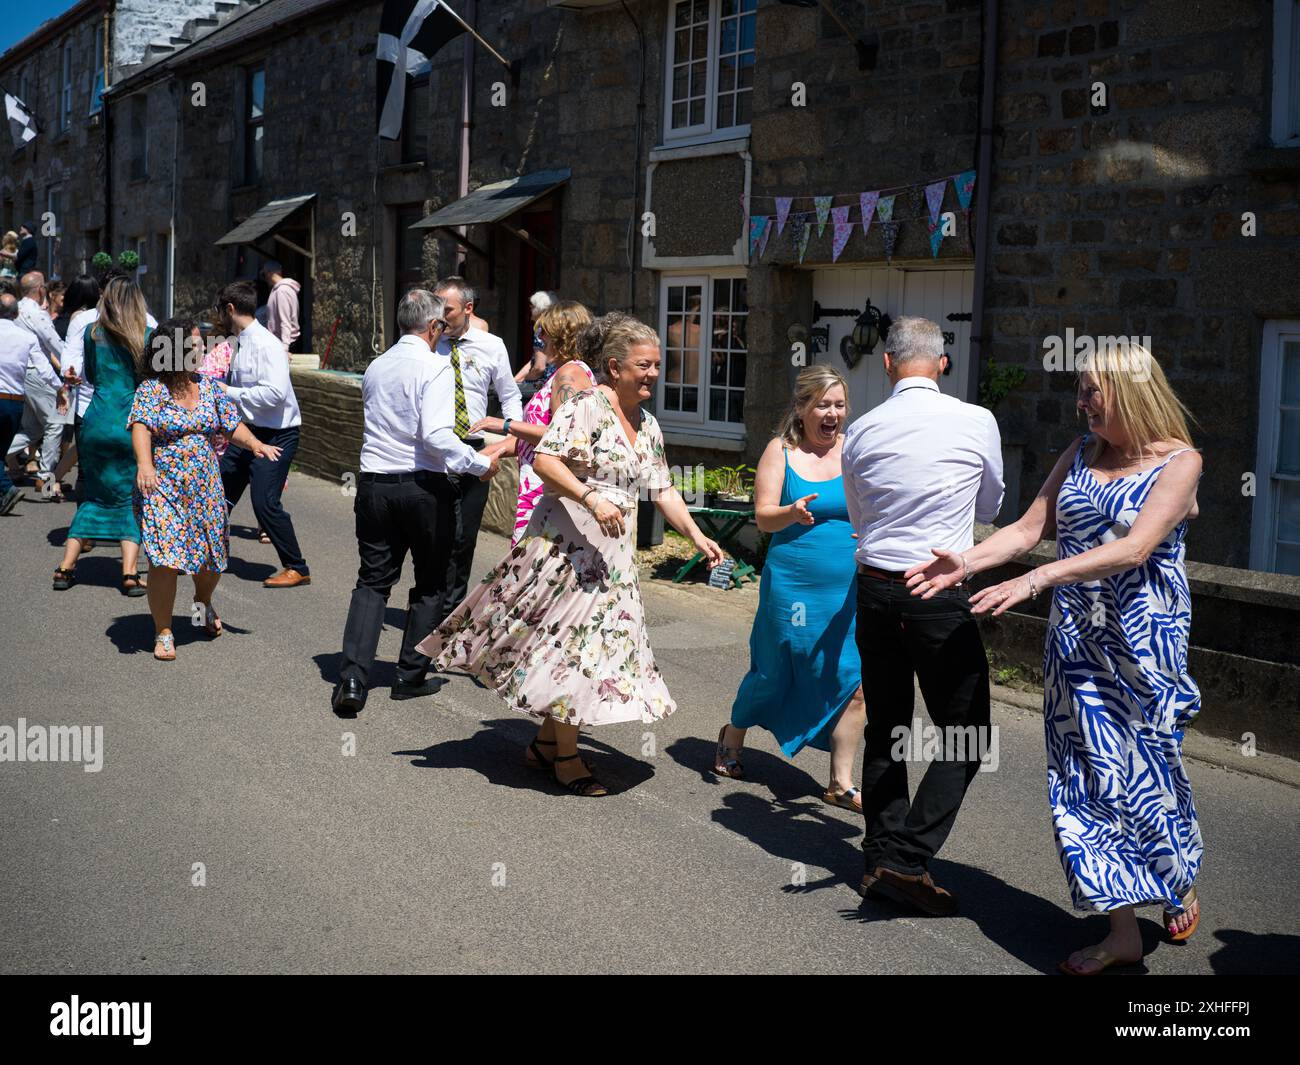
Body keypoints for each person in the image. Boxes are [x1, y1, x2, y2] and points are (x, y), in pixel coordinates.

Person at [906, 341, 1204, 974]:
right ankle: (1122, 928)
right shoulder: (1079, 453)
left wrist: (1038, 581)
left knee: (1151, 771)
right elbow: (1026, 529)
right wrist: (968, 558)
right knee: (1088, 774)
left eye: (1094, 390)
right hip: (1077, 645)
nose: (1082, 402)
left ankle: (1174, 877)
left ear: (1131, 392)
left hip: (1143, 645)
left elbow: (1135, 549)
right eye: (1081, 389)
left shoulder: (1181, 463)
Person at [417, 314, 724, 797]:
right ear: (615, 366)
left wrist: (695, 534)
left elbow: (662, 488)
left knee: (595, 652)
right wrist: (592, 498)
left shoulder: (647, 423)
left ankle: (543, 743)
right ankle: (565, 758)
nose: (653, 374)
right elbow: (545, 459)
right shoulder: (585, 405)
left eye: (657, 365)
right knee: (574, 651)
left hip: (614, 558)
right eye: (644, 365)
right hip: (569, 549)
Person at [841, 316, 1004, 916]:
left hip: (877, 586)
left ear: (886, 364)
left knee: (888, 724)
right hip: (936, 588)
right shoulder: (976, 420)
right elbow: (989, 504)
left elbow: (859, 519)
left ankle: (881, 855)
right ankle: (906, 861)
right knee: (968, 732)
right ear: (941, 363)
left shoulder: (862, 429)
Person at [332, 290, 499, 714]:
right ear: (432, 328)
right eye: (440, 327)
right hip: (423, 487)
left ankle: (352, 678)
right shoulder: (436, 366)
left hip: (374, 484)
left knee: (372, 581)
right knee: (430, 582)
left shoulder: (376, 365)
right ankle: (409, 675)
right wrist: (478, 463)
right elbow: (436, 435)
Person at [716, 366, 867, 811]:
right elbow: (763, 516)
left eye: (839, 405)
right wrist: (791, 512)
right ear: (801, 409)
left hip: (847, 590)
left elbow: (872, 506)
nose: (833, 414)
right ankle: (733, 734)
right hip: (792, 585)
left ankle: (841, 781)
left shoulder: (855, 452)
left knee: (853, 680)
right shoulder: (779, 451)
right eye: (823, 404)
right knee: (774, 670)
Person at [129, 318, 282, 661]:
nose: (203, 350)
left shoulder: (209, 388)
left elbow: (231, 425)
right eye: (195, 345)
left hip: (206, 487)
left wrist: (256, 444)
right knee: (165, 558)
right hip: (162, 486)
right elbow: (140, 427)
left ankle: (202, 602)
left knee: (212, 556)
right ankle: (164, 631)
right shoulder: (152, 390)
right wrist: (145, 464)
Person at [428, 276, 522, 622]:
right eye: (436, 308)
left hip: (475, 451)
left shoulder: (491, 345)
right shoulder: (427, 343)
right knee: (433, 534)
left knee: (463, 538)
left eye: (447, 310)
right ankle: (428, 604)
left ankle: (450, 616)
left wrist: (513, 432)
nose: (440, 317)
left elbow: (509, 394)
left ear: (468, 309)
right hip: (434, 451)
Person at [52, 277, 151, 594]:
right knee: (130, 499)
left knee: (94, 495)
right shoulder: (145, 336)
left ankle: (65, 568)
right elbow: (146, 381)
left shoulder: (91, 334)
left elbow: (90, 376)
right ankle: (130, 572)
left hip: (95, 419)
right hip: (127, 421)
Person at [470, 299, 595, 545]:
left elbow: (562, 436)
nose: (539, 338)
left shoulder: (569, 375)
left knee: (529, 566)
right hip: (536, 484)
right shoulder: (564, 372)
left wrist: (505, 424)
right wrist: (490, 453)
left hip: (547, 489)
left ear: (562, 335)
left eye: (544, 331)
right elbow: (531, 439)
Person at [215, 280, 311, 588]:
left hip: (277, 434)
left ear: (230, 309)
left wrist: (228, 392)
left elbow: (275, 394)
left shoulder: (267, 344)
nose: (219, 318)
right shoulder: (241, 342)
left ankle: (297, 567)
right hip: (248, 431)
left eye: (220, 311)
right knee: (218, 495)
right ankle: (197, 553)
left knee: (265, 501)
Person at [7, 271, 70, 501]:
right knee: (55, 422)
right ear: (40, 290)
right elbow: (52, 341)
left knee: (32, 430)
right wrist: (71, 364)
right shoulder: (36, 313)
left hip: (21, 372)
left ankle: (5, 453)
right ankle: (45, 478)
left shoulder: (18, 310)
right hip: (36, 372)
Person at [514, 290, 559, 403]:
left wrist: (524, 381)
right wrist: (516, 379)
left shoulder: (541, 330)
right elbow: (534, 360)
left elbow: (539, 367)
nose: (530, 308)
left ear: (539, 309)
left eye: (532, 306)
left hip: (542, 386)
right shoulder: (556, 327)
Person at [260, 260, 301, 355]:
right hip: (282, 342)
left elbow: (285, 321)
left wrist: (285, 349)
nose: (264, 278)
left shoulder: (281, 291)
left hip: (284, 343)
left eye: (264, 274)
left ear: (269, 273)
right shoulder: (280, 290)